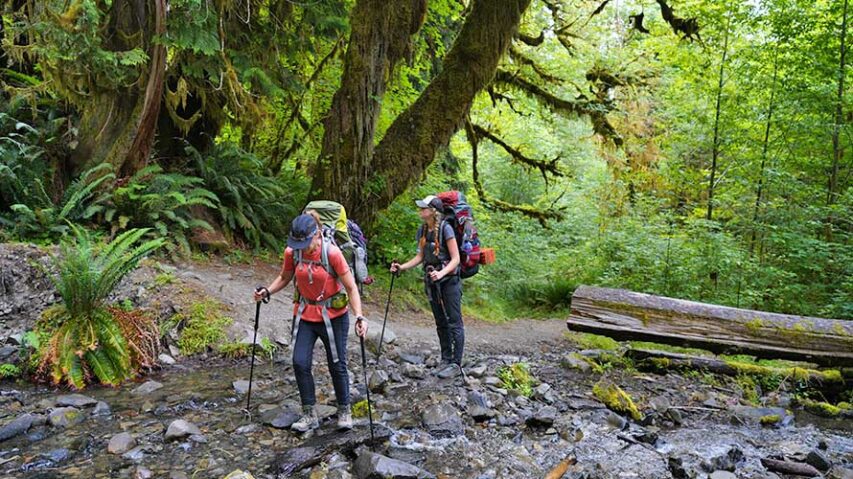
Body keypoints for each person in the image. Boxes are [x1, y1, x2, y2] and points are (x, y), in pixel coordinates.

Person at [254, 213, 368, 432]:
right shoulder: (292, 252)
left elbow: (351, 287)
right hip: (305, 315)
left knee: (337, 364)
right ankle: (309, 415)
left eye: (306, 243)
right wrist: (267, 291)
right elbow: (285, 278)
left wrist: (359, 316)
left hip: (334, 317)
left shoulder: (332, 253)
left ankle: (344, 410)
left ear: (317, 235)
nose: (303, 247)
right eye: (298, 243)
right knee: (299, 362)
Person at [390, 195, 464, 378]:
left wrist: (441, 273)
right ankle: (446, 359)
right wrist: (402, 267)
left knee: (454, 322)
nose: (420, 210)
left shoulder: (446, 229)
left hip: (449, 281)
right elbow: (420, 257)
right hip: (432, 281)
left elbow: (456, 259)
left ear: (433, 211)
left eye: (424, 208)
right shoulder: (423, 230)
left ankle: (456, 363)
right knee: (440, 322)